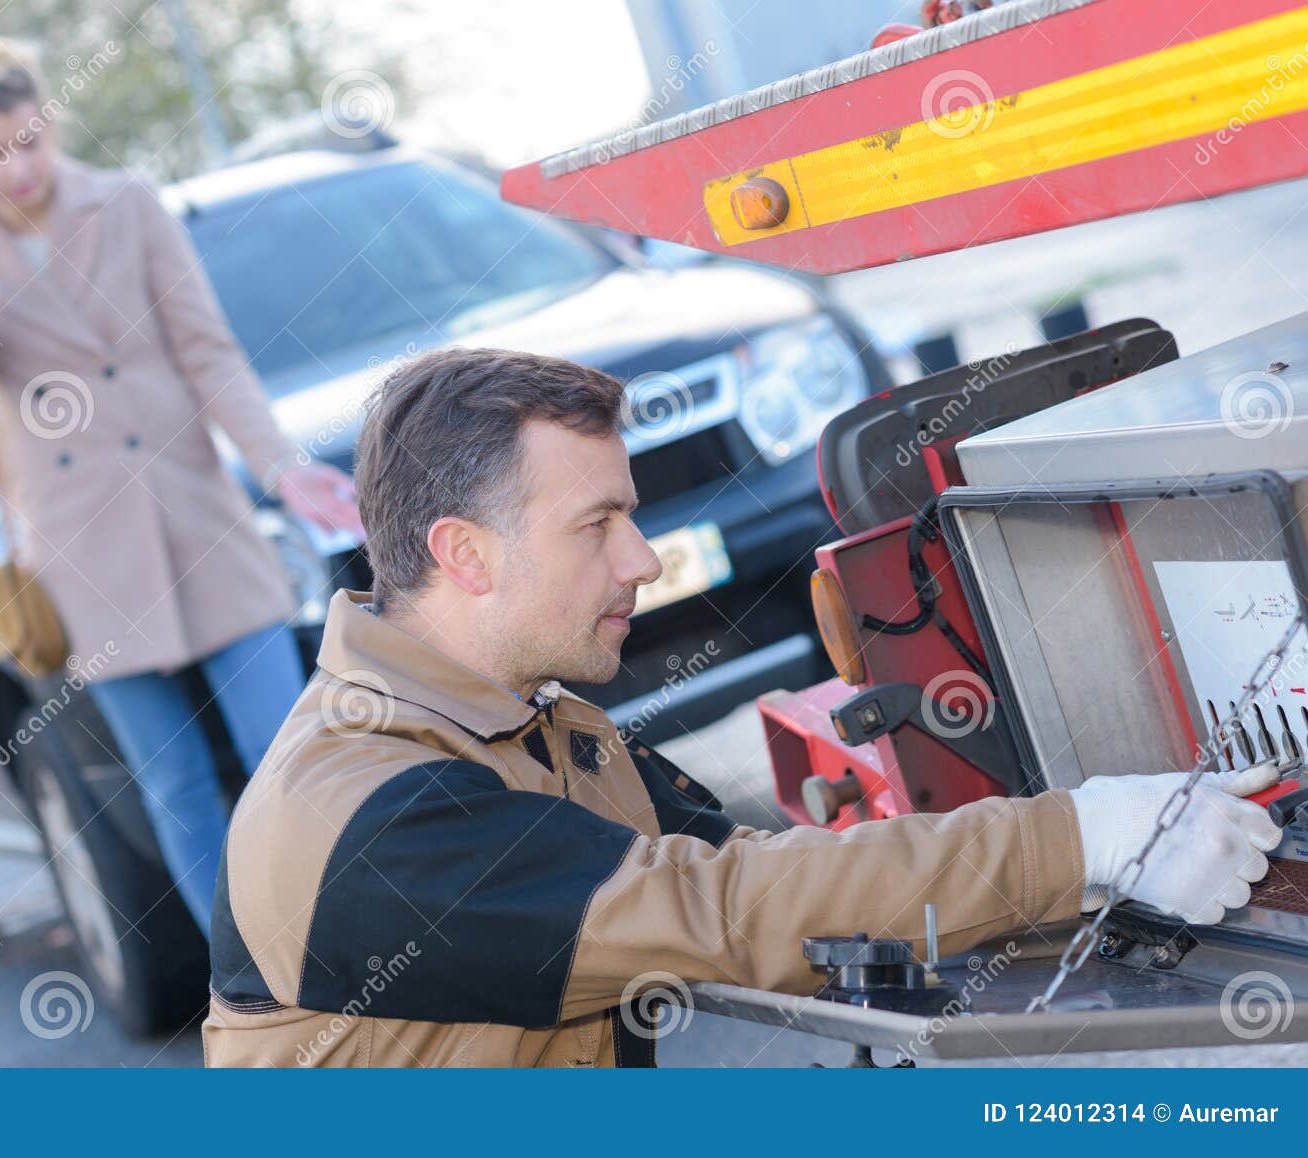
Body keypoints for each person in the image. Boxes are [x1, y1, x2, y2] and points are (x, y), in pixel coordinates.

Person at [201, 346, 1282, 1067]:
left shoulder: (537, 730)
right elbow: (719, 916)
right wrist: (1085, 835)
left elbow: (795, 887)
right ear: (464, 555)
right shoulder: (363, 814)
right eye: (598, 524)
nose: (643, 556)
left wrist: (1121, 873)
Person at [0, 38, 361, 936]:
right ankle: (253, 988)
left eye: (30, 140)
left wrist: (279, 465)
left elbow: (206, 348)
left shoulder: (125, 204)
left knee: (286, 751)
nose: (19, 165)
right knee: (177, 782)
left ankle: (343, 947)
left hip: (198, 514)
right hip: (86, 553)